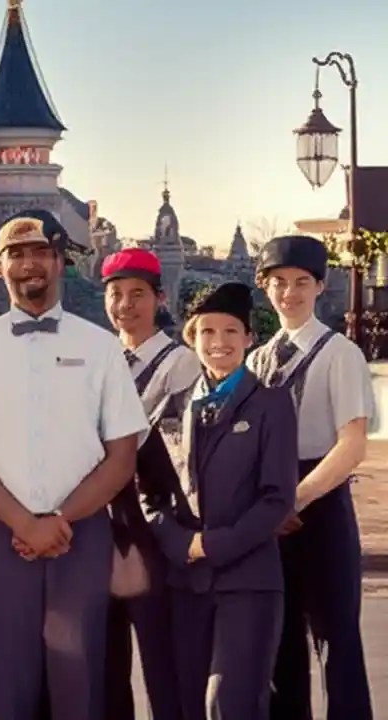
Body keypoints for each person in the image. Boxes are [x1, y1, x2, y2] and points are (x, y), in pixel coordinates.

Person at [0, 210, 147, 720]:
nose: (29, 265)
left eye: (41, 253)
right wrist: (22, 521)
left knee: (81, 682)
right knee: (11, 681)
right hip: (1, 534)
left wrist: (58, 521)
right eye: (17, 254)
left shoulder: (99, 346)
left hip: (82, 533)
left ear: (60, 261)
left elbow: (122, 456)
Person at [140, 282, 298, 720]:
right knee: (189, 705)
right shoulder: (170, 409)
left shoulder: (272, 405)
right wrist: (177, 542)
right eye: (207, 332)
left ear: (249, 338)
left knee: (229, 705)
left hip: (248, 581)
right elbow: (149, 493)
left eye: (231, 332)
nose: (219, 343)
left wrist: (213, 544)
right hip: (186, 582)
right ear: (192, 338)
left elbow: (277, 498)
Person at [249, 235, 375, 720]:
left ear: (320, 286)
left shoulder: (338, 353)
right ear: (265, 287)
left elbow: (353, 444)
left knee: (337, 642)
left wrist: (293, 500)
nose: (290, 293)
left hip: (319, 504)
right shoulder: (259, 358)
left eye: (302, 282)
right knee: (280, 645)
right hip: (269, 507)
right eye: (278, 283)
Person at [99, 248, 199, 720]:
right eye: (115, 294)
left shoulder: (181, 364)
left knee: (162, 655)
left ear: (159, 298)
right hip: (102, 517)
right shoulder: (99, 360)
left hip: (154, 518)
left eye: (137, 294)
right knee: (105, 659)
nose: (125, 305)